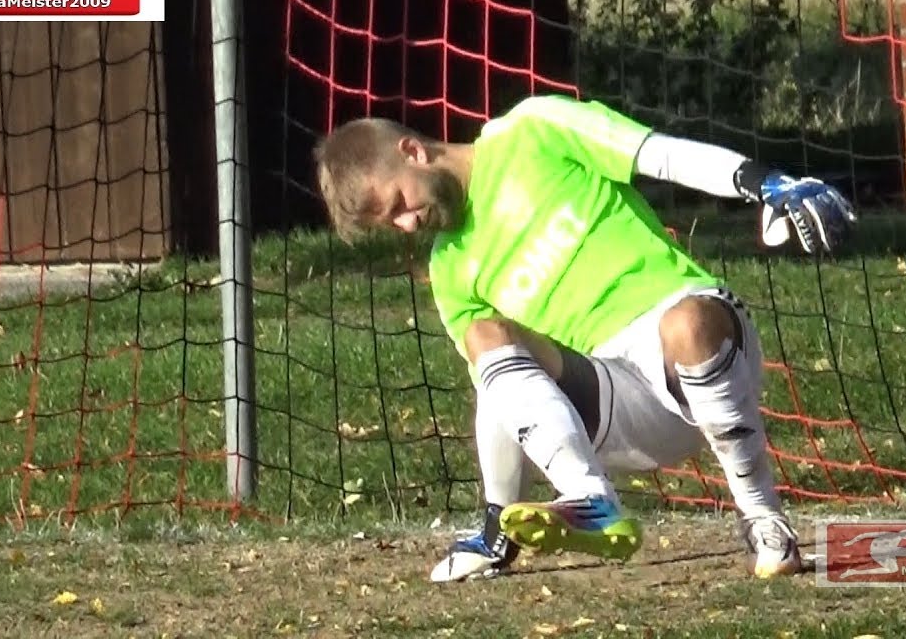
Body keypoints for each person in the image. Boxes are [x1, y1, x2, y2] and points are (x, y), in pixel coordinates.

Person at [310, 94, 857, 582]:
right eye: (392, 223)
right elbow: (499, 399)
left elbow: (660, 155)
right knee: (485, 337)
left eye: (400, 204)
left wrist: (764, 183)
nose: (407, 224)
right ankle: (590, 500)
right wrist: (499, 520)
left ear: (412, 151)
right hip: (617, 408)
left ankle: (763, 520)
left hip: (701, 351)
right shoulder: (451, 269)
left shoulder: (532, 130)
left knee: (686, 321)